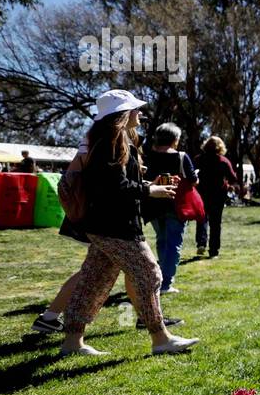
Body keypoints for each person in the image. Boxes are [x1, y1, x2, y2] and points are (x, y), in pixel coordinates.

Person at [59, 89, 198, 357]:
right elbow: (112, 187)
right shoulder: (111, 142)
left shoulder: (112, 139)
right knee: (149, 273)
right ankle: (161, 338)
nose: (140, 113)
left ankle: (72, 342)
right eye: (135, 109)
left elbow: (116, 184)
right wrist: (150, 191)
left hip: (106, 224)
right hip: (115, 226)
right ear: (122, 115)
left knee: (94, 281)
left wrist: (147, 185)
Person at [142, 122, 195, 294]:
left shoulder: (148, 155)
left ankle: (160, 278)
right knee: (173, 244)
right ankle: (166, 283)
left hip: (153, 203)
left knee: (162, 240)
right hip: (175, 203)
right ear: (175, 139)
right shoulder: (181, 156)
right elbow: (193, 180)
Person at [195, 135, 239, 258]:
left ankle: (201, 243)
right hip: (218, 195)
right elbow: (233, 177)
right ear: (220, 147)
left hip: (201, 193)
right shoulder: (223, 161)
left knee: (202, 219)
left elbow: (192, 174)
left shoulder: (199, 159)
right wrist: (229, 184)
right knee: (215, 223)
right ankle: (213, 251)